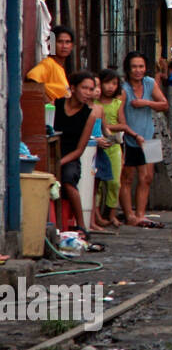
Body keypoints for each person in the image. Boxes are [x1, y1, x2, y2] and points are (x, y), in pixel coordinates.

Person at [120, 50, 167, 228]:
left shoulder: (150, 83)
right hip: (130, 138)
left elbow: (164, 104)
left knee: (147, 177)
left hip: (150, 136)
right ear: (128, 69)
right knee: (127, 178)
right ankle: (129, 215)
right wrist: (132, 134)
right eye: (134, 67)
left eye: (141, 67)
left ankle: (141, 214)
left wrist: (146, 103)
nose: (138, 70)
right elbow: (120, 116)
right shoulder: (123, 88)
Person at [54, 71, 104, 235]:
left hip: (70, 157)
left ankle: (81, 225)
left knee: (68, 180)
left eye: (91, 89)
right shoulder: (57, 105)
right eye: (85, 88)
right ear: (73, 88)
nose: (88, 93)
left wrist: (60, 162)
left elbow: (79, 150)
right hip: (52, 153)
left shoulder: (88, 115)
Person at [92, 69, 127, 230]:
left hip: (113, 147)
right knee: (97, 184)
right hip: (97, 146)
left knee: (114, 183)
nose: (110, 87)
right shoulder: (95, 105)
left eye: (114, 83)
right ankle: (96, 215)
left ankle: (111, 213)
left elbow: (123, 124)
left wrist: (108, 128)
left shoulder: (117, 103)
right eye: (107, 83)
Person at [28, 25, 74, 102]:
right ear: (52, 44)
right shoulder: (48, 63)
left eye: (67, 42)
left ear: (72, 46)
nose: (64, 46)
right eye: (60, 42)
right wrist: (48, 102)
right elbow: (31, 82)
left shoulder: (59, 67)